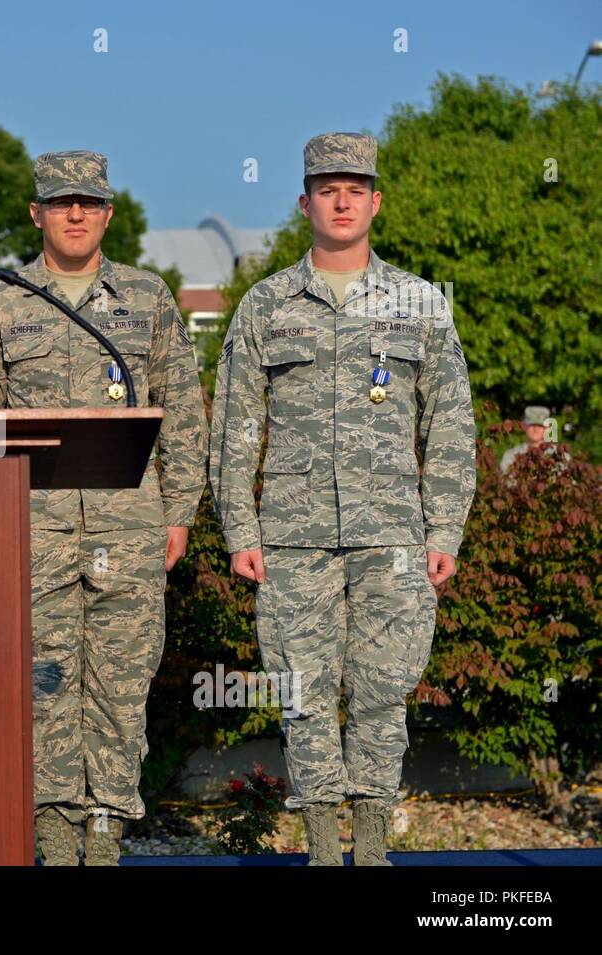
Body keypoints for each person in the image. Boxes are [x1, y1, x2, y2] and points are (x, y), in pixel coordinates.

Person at [208, 132, 476, 865]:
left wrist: (445, 529)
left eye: (356, 188)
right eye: (328, 188)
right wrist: (239, 527)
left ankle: (371, 847)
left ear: (376, 201)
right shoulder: (265, 305)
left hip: (394, 534)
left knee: (385, 691)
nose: (342, 200)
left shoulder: (421, 303)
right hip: (291, 537)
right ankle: (325, 847)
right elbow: (236, 424)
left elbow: (450, 422)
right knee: (303, 695)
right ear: (305, 203)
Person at [0, 150, 206, 865]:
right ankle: (55, 833)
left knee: (121, 687)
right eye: (62, 201)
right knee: (43, 686)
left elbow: (183, 412)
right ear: (37, 212)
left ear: (108, 213)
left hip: (128, 527)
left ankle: (105, 832)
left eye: (89, 202)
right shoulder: (2, 299)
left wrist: (180, 510)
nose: (76, 213)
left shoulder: (148, 298)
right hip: (30, 530)